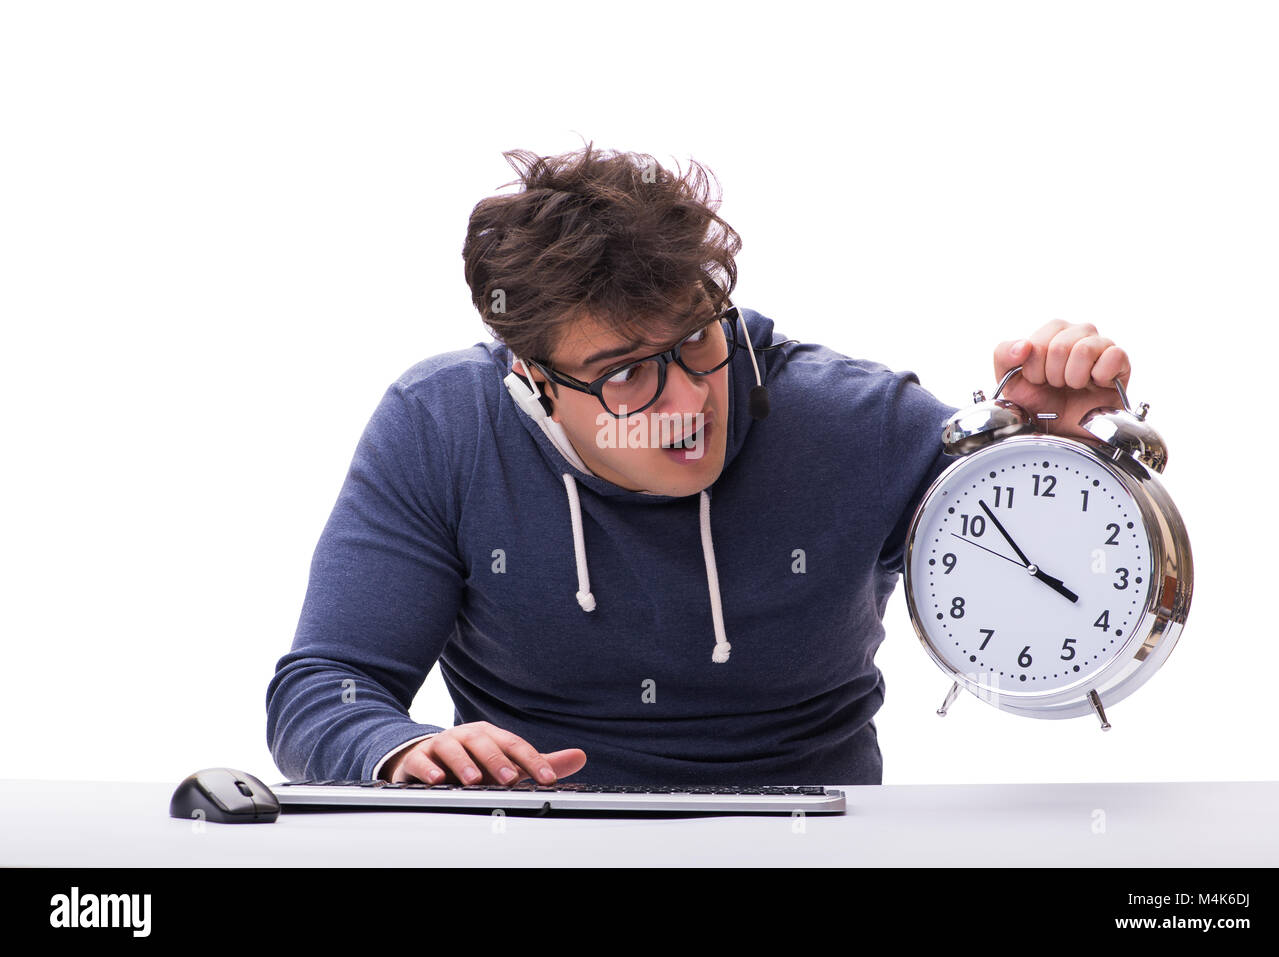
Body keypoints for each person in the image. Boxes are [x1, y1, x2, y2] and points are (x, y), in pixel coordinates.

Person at [265, 142, 1132, 788]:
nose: (688, 407)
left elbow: (1072, 599)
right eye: (626, 374)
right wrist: (399, 748)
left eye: (695, 339)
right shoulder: (441, 428)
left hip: (821, 843)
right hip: (534, 842)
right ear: (532, 379)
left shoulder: (851, 419)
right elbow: (325, 685)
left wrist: (1059, 451)